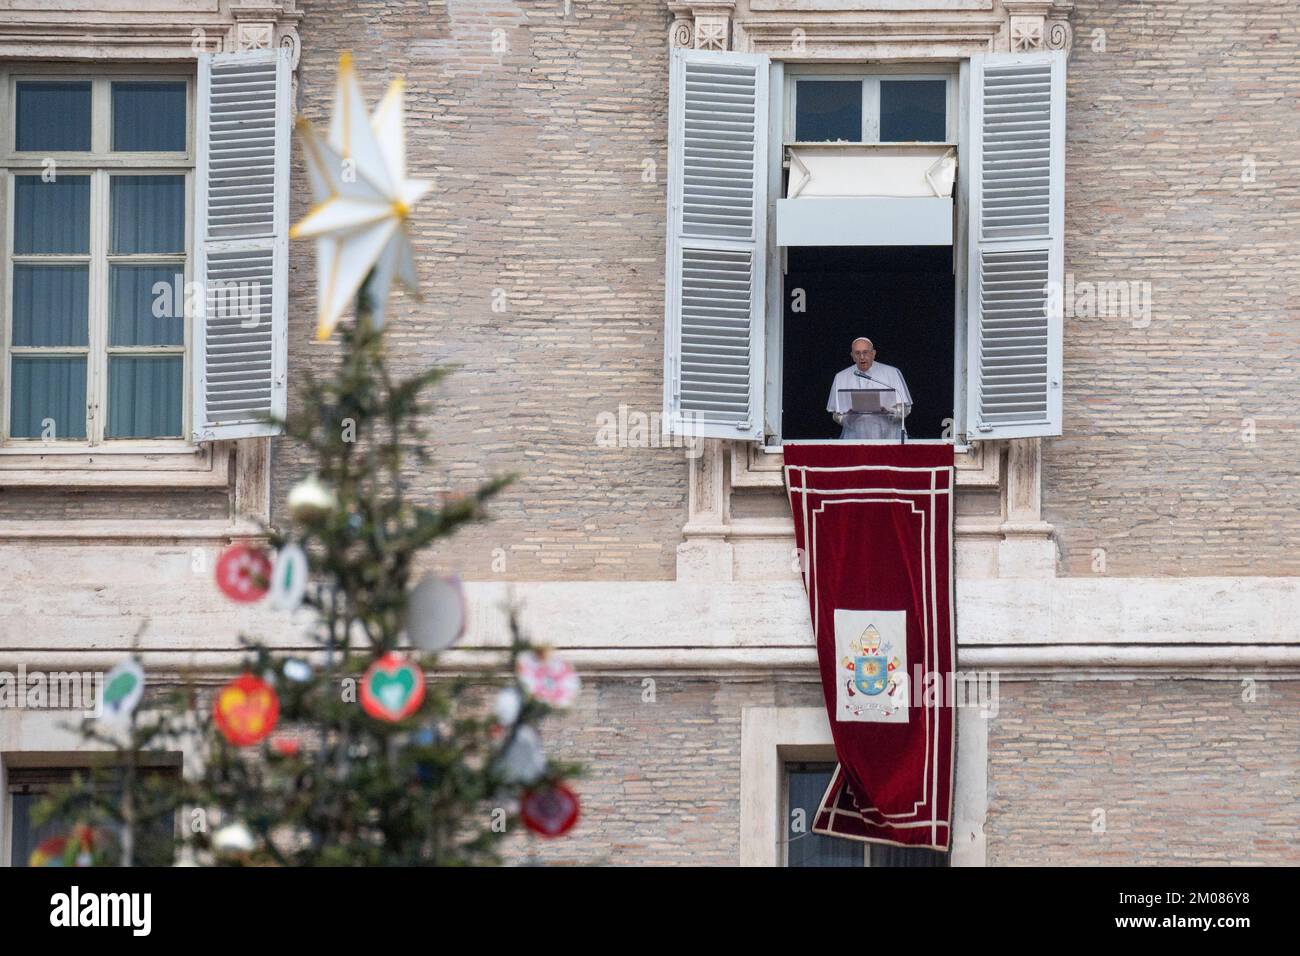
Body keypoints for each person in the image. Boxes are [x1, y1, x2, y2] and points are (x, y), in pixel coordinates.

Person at [826, 336, 913, 440]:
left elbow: (906, 409)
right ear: (852, 356)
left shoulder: (892, 373)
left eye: (865, 352)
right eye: (857, 353)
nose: (862, 357)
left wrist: (888, 411)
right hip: (855, 438)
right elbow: (836, 415)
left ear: (873, 354)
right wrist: (849, 416)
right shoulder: (841, 377)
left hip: (889, 437)